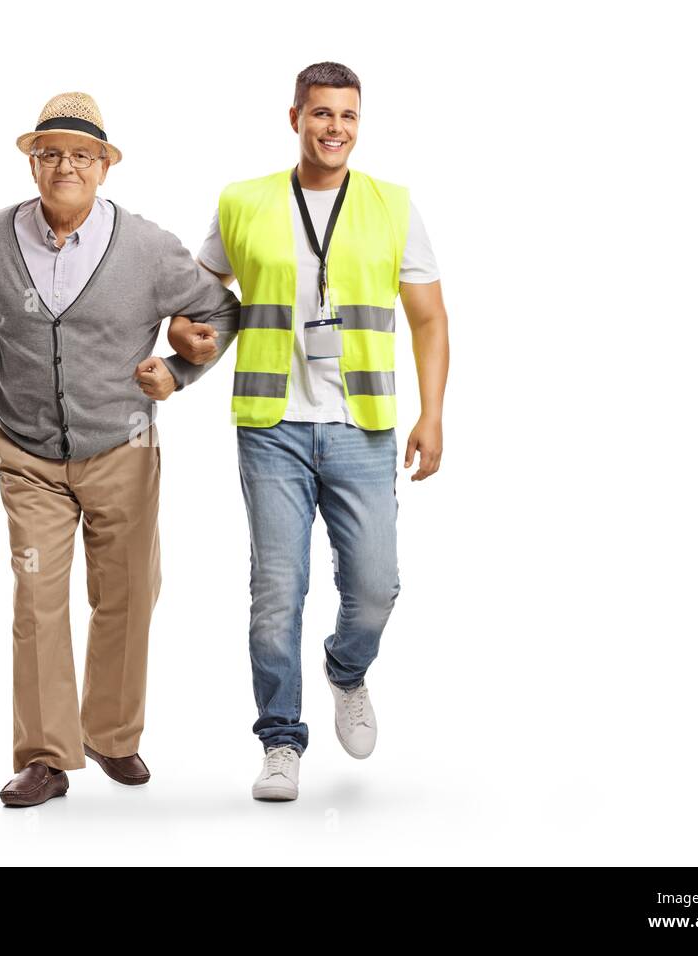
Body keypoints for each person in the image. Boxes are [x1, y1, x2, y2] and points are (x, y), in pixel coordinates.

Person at [0, 92, 239, 807]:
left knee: (129, 595)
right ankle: (45, 756)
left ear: (105, 167)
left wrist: (179, 369)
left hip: (122, 452)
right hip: (29, 456)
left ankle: (110, 734)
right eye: (50, 154)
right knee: (37, 598)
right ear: (32, 163)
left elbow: (221, 310)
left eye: (81, 155)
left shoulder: (146, 248)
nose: (64, 166)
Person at [168, 62, 449, 801]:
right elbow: (201, 295)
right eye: (321, 114)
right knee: (275, 594)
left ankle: (347, 670)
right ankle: (281, 740)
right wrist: (180, 336)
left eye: (348, 116)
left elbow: (428, 317)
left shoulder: (393, 205)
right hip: (272, 426)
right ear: (294, 116)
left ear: (360, 122)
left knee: (376, 588)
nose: (335, 129)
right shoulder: (244, 202)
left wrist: (434, 411)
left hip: (363, 425)